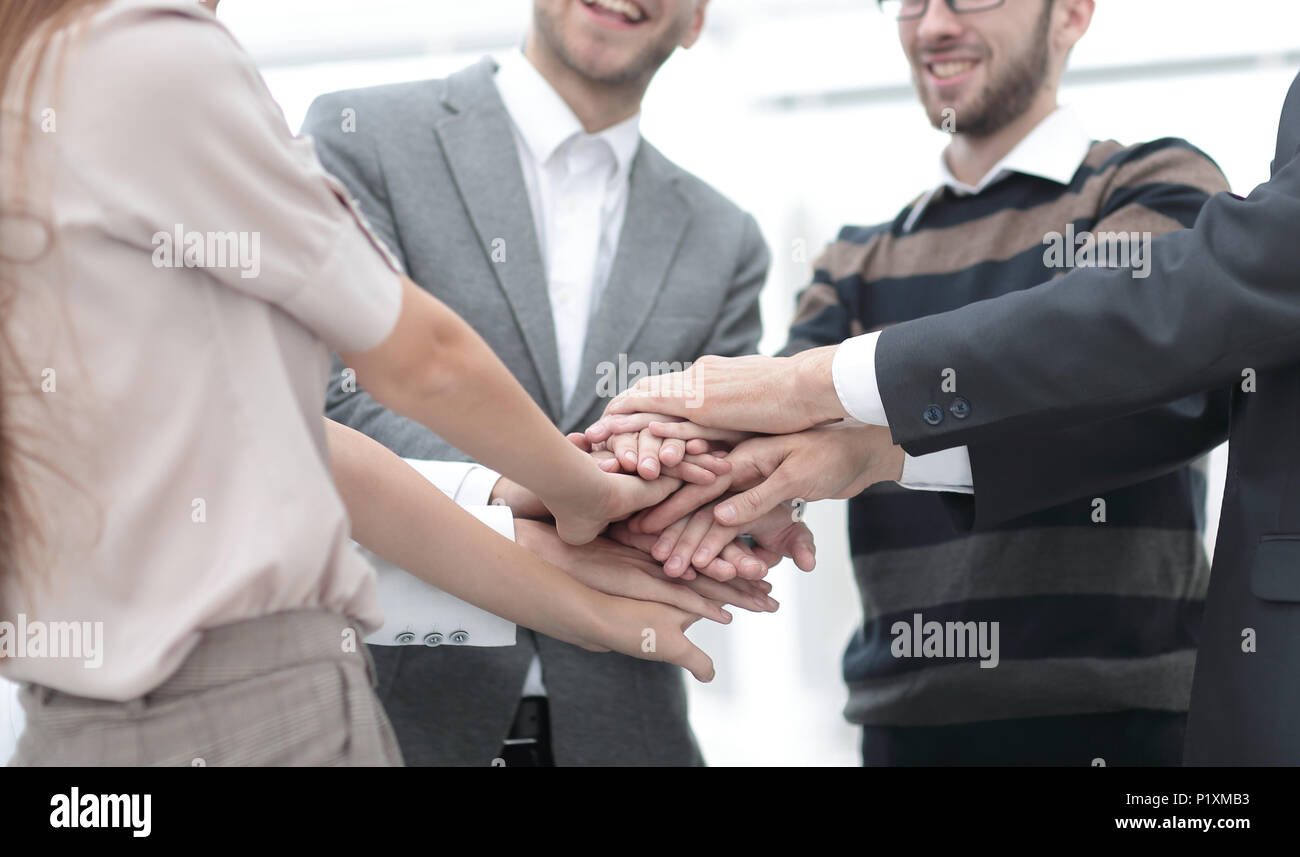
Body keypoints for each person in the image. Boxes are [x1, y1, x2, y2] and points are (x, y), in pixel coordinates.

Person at [0, 0, 714, 767]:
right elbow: (421, 357)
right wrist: (584, 491)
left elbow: (321, 455)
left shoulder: (35, 75)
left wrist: (583, 605)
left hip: (79, 733)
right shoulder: (152, 58)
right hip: (251, 714)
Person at [594, 63, 1300, 766]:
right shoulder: (855, 255)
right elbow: (764, 425)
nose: (936, 22)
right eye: (912, 1)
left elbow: (1161, 397)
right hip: (904, 723)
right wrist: (672, 460)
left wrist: (870, 446)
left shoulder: (1154, 183)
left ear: (1072, 14)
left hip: (1125, 722)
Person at [305, 0, 809, 766]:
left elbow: (724, 469)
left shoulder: (724, 238)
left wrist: (697, 480)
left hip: (626, 734)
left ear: (697, 20)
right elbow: (325, 397)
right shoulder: (363, 136)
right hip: (390, 723)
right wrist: (541, 486)